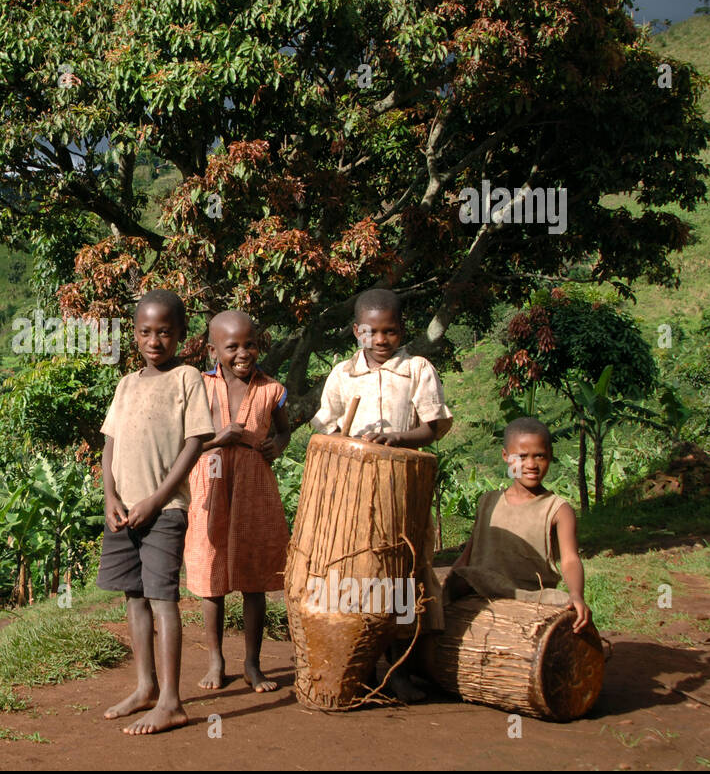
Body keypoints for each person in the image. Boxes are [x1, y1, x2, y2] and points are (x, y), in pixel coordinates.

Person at [310, 288, 452, 701]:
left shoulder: (417, 370)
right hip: (353, 497)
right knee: (357, 575)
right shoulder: (342, 374)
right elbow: (327, 427)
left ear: (401, 330)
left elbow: (431, 428)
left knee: (400, 573)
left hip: (402, 491)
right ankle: (360, 665)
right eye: (371, 332)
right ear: (357, 331)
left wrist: (397, 437)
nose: (380, 340)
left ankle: (399, 668)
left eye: (389, 332)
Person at [98, 289, 214, 734]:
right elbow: (110, 446)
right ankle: (145, 686)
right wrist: (110, 496)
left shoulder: (187, 379)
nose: (154, 340)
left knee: (163, 596)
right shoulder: (126, 383)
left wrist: (158, 499)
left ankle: (171, 701)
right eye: (145, 331)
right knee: (134, 595)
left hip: (164, 510)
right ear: (134, 334)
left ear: (181, 335)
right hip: (123, 511)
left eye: (165, 331)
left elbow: (195, 443)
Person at [185, 310, 290, 692]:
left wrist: (274, 447)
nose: (243, 353)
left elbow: (284, 432)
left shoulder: (272, 390)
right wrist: (218, 439)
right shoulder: (197, 386)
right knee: (210, 576)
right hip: (209, 486)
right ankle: (216, 661)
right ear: (213, 349)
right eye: (232, 347)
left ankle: (252, 664)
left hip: (254, 487)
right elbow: (188, 441)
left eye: (251, 344)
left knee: (253, 577)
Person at [444, 417, 592, 632]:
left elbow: (570, 559)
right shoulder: (488, 502)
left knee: (566, 610)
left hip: (531, 596)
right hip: (479, 587)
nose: (531, 465)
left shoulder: (557, 509)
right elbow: (469, 553)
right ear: (506, 456)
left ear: (550, 455)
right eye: (522, 457)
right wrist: (447, 584)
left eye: (539, 456)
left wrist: (577, 594)